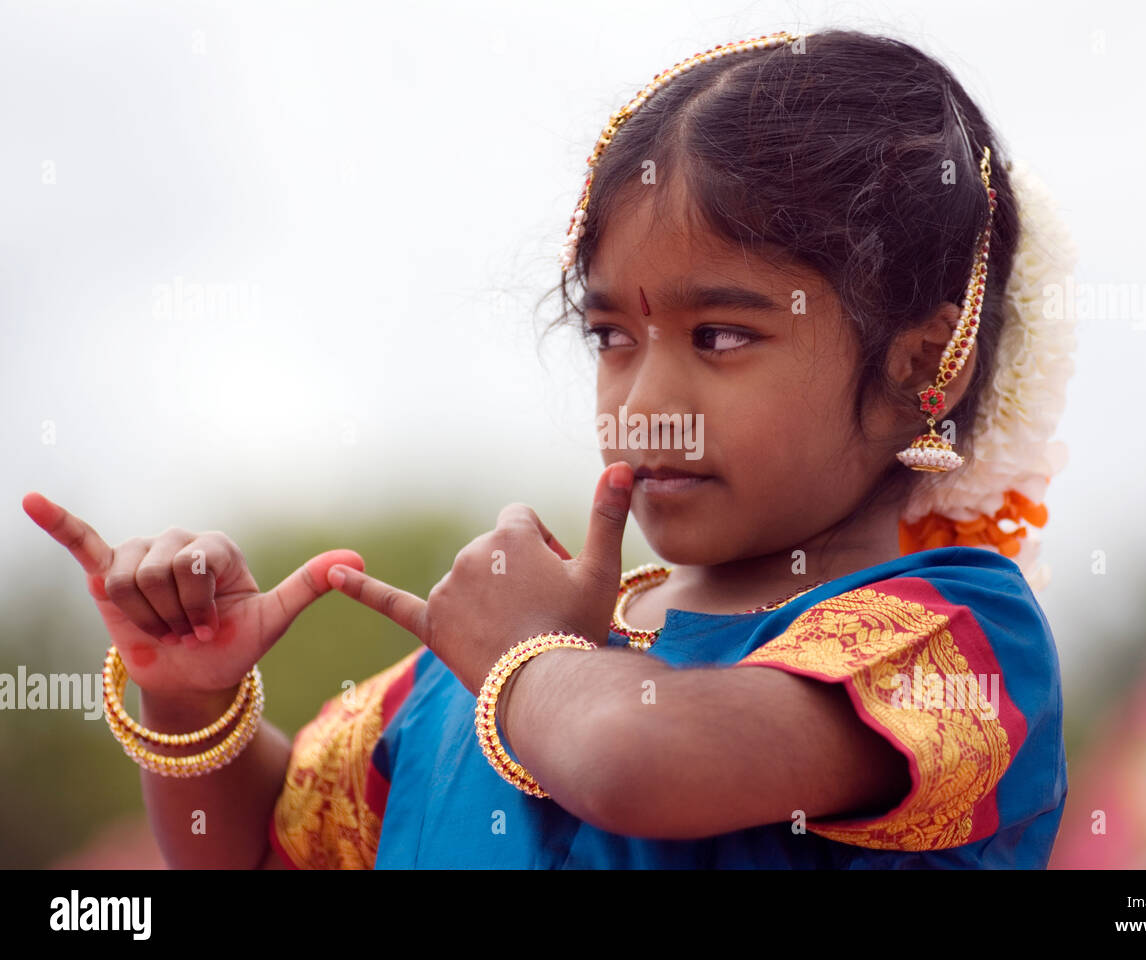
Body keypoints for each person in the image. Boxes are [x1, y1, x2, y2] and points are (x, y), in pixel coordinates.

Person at [24, 27, 1074, 869]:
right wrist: (191, 700)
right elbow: (252, 851)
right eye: (612, 337)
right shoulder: (498, 665)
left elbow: (634, 761)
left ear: (918, 365)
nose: (645, 399)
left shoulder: (958, 647)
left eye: (720, 335)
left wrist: (521, 657)